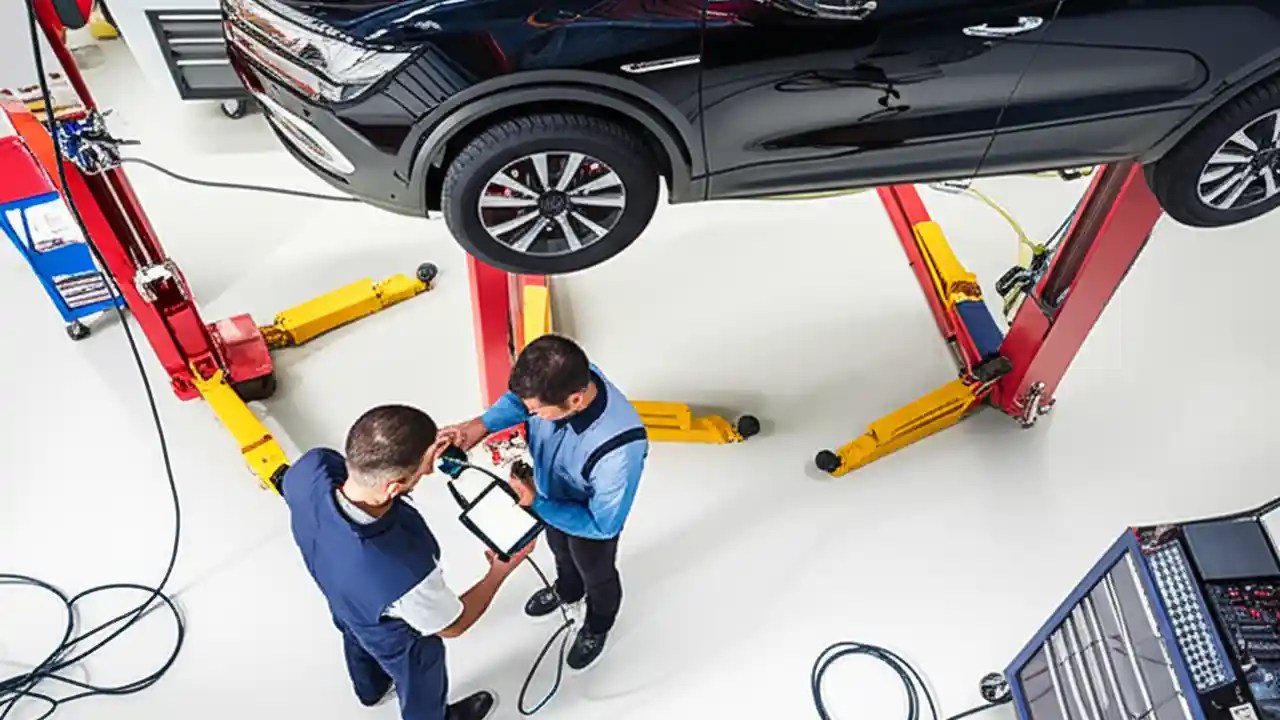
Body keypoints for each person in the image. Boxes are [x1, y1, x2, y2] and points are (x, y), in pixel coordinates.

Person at [279, 404, 532, 720]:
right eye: (425, 467)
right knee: (421, 673)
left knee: (356, 634)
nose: (428, 471)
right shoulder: (402, 571)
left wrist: (421, 444)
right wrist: (500, 570)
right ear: (394, 488)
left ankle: (370, 689)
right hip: (394, 636)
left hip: (340, 593)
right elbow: (454, 625)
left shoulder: (311, 468)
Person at [441, 334, 648, 671]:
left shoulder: (620, 450)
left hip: (588, 522)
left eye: (536, 411)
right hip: (548, 496)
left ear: (576, 400)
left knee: (595, 571)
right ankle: (567, 589)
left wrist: (538, 503)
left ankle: (598, 624)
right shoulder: (565, 378)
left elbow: (602, 524)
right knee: (559, 549)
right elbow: (519, 402)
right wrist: (479, 426)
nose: (529, 414)